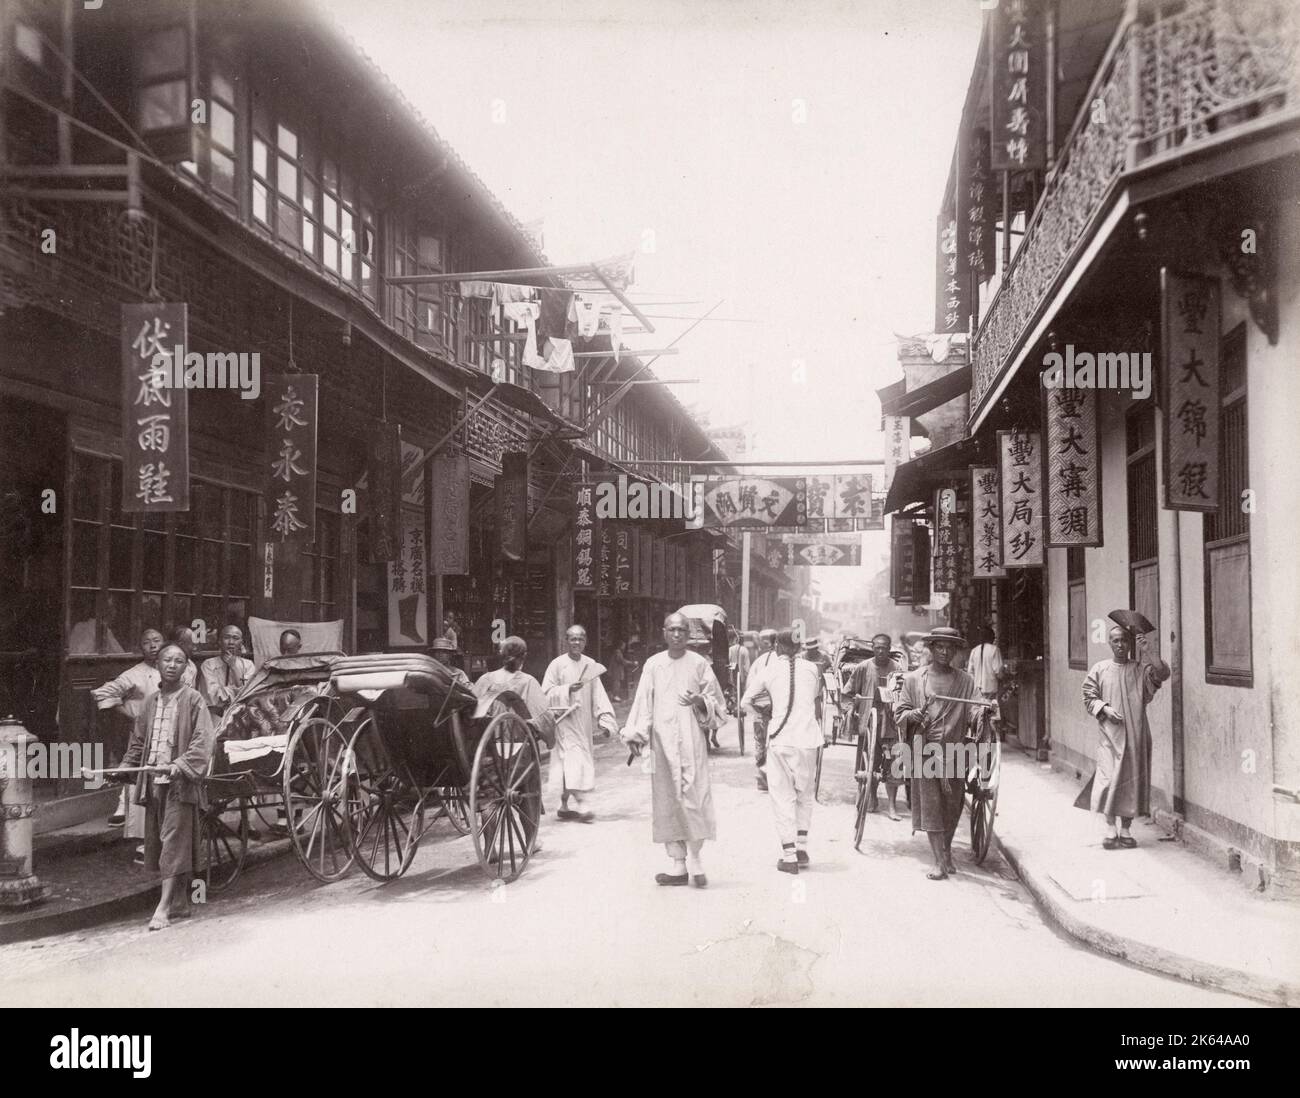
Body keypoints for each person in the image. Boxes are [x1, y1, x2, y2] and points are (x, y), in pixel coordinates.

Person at [620, 613, 726, 887]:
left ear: (688, 635)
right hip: (662, 742)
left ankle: (696, 859)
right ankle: (678, 866)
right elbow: (644, 701)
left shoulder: (700, 664)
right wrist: (636, 733)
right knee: (668, 800)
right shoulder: (653, 665)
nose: (677, 634)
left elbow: (717, 703)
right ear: (664, 633)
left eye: (681, 630)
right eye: (672, 630)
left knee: (695, 796)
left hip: (692, 741)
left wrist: (700, 701)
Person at [118, 644, 213, 930]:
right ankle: (182, 901)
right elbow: (138, 740)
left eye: (178, 661)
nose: (172, 665)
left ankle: (163, 908)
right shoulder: (150, 702)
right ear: (157, 665)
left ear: (186, 667)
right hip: (153, 783)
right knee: (162, 840)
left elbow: (203, 741)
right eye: (167, 660)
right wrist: (126, 767)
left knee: (173, 840)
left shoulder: (194, 700)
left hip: (180, 783)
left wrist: (179, 765)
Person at [92, 627, 195, 838]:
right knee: (139, 779)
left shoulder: (178, 667)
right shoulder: (134, 674)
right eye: (147, 642)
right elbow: (103, 693)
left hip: (175, 733)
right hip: (146, 735)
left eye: (157, 640)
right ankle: (140, 834)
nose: (153, 645)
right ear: (141, 648)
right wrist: (133, 717)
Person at [1077, 620, 1170, 849]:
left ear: (1130, 644)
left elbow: (1163, 674)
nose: (1120, 645)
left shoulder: (1140, 669)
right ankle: (1110, 828)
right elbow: (1088, 696)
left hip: (1136, 735)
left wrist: (1148, 651)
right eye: (1116, 640)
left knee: (1130, 780)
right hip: (1109, 736)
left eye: (1124, 641)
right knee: (1108, 778)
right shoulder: (1100, 669)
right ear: (1110, 643)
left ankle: (1126, 829)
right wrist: (1104, 708)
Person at [893, 626, 976, 881]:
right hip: (924, 750)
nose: (944, 651)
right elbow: (900, 713)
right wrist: (914, 714)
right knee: (931, 806)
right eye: (939, 646)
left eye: (950, 647)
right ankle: (939, 861)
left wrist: (983, 714)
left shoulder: (965, 681)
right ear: (931, 648)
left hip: (955, 750)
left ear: (955, 651)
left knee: (952, 805)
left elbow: (974, 708)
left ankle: (946, 849)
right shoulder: (914, 679)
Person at [743, 628, 827, 874]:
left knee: (782, 797)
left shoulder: (769, 671)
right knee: (804, 793)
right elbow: (812, 699)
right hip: (808, 740)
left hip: (780, 740)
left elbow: (745, 701)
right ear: (800, 647)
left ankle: (789, 856)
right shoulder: (813, 669)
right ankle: (801, 847)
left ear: (777, 647)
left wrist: (763, 714)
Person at [541, 625, 617, 823]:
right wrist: (566, 689)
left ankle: (564, 804)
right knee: (572, 759)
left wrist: (605, 720)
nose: (576, 643)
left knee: (574, 762)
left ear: (585, 641)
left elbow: (598, 694)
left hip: (583, 723)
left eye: (580, 639)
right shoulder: (557, 665)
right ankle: (582, 803)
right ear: (566, 641)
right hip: (563, 721)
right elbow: (546, 693)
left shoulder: (590, 664)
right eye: (573, 639)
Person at [849, 632, 907, 820]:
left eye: (884, 648)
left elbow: (905, 694)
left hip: (891, 724)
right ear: (872, 648)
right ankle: (872, 797)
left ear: (889, 649)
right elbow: (848, 693)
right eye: (877, 647)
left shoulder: (897, 668)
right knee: (870, 762)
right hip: (869, 724)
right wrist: (854, 702)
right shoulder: (863, 668)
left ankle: (891, 806)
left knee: (893, 762)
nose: (881, 651)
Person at [200, 624, 256, 714]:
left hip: (242, 716)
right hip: (215, 716)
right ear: (219, 641)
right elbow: (211, 698)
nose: (231, 642)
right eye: (226, 637)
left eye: (235, 638)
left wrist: (234, 668)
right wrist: (237, 691)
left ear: (241, 643)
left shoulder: (248, 665)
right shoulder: (208, 665)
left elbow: (249, 695)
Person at [749, 628, 778, 791]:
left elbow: (749, 685)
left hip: (760, 707)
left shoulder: (759, 662)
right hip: (777, 707)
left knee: (760, 741)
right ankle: (774, 778)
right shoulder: (782, 661)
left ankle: (761, 778)